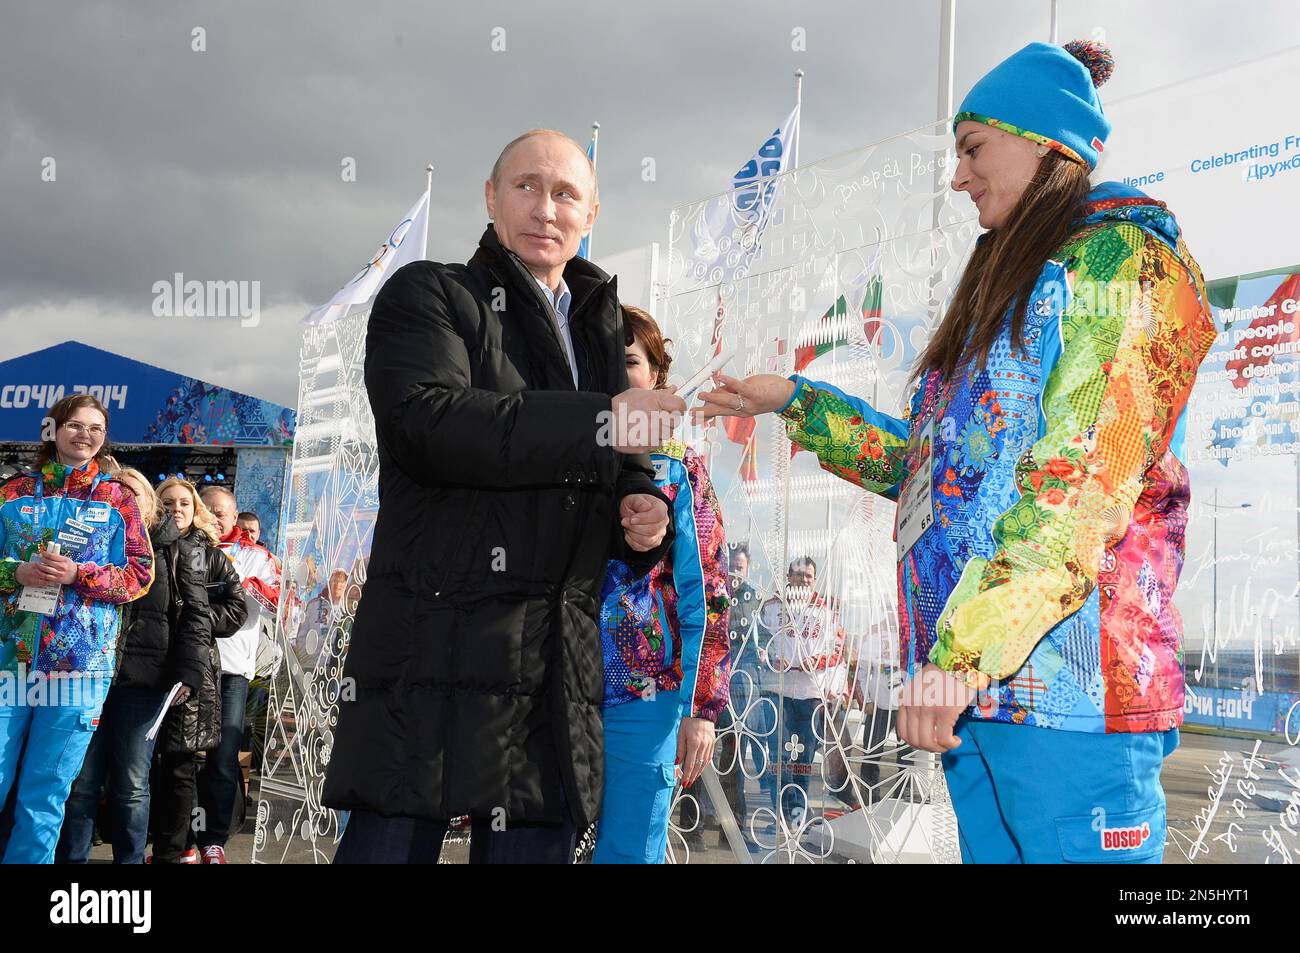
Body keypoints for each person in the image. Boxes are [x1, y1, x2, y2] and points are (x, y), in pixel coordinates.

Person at [698, 40, 1215, 863]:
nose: (959, 175)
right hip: (981, 688)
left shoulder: (1123, 265)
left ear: (1047, 144)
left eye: (974, 149)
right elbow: (939, 473)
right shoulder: (1011, 286)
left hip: (1071, 698)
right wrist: (798, 402)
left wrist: (963, 657)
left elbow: (1078, 489)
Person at [323, 128, 684, 864]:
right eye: (526, 186)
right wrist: (601, 421)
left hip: (554, 661)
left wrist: (640, 513)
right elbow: (427, 423)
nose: (544, 207)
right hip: (434, 644)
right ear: (490, 198)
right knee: (392, 839)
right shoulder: (430, 292)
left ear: (591, 214)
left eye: (565, 193)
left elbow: (609, 469)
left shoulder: (598, 326)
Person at [592, 305, 731, 864]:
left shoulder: (679, 468)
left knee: (627, 851)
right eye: (606, 360)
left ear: (655, 376)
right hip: (553, 686)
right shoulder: (558, 452)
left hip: (644, 700)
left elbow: (711, 593)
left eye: (630, 361)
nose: (619, 373)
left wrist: (701, 709)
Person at [0, 395, 153, 863]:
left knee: (44, 796)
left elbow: (139, 575)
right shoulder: (11, 493)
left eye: (95, 427)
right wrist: (15, 572)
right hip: (9, 662)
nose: (84, 434)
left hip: (79, 668)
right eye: (74, 424)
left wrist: (79, 575)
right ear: (52, 429)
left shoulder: (118, 498)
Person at [57, 469, 212, 864]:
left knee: (131, 785)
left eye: (133, 493)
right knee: (81, 783)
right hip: (87, 677)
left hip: (145, 682)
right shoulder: (93, 544)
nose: (123, 499)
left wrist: (189, 672)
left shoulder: (174, 547)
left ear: (148, 500)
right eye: (116, 493)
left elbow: (196, 615)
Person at [149, 478, 247, 864]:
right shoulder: (140, 546)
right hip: (145, 667)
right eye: (167, 502)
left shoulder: (212, 556)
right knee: (141, 768)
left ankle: (180, 848)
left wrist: (195, 615)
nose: (176, 509)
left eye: (184, 503)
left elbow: (237, 610)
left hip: (194, 671)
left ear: (195, 511)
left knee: (181, 765)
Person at [195, 484, 271, 863]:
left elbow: (278, 603)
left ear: (234, 514)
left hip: (231, 671)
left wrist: (240, 584)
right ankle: (176, 842)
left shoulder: (254, 556)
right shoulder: (181, 546)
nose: (213, 517)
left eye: (221, 512)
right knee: (176, 758)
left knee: (222, 758)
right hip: (186, 665)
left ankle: (214, 841)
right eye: (206, 510)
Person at [755, 557, 845, 828]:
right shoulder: (771, 607)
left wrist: (815, 662)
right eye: (798, 575)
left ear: (815, 579)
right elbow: (757, 641)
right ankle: (780, 817)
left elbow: (839, 649)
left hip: (810, 694)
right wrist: (770, 656)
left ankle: (796, 818)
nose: (803, 580)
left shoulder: (827, 610)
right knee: (778, 756)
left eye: (808, 576)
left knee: (801, 758)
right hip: (776, 690)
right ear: (788, 577)